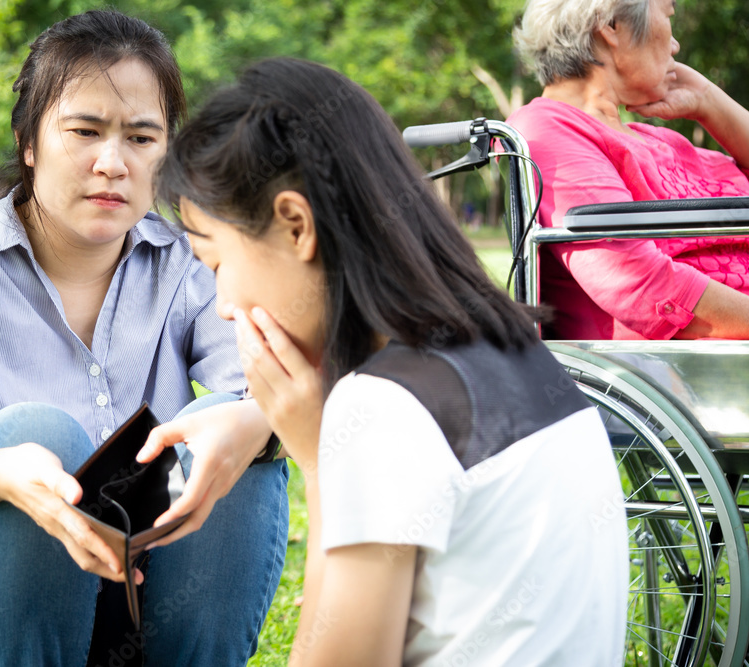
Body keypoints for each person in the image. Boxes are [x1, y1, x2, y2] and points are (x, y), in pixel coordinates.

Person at [144, 56, 629, 666]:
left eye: (217, 265)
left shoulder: (382, 407)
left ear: (296, 226)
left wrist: (319, 461)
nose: (222, 306)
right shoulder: (513, 354)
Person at [0, 10, 287, 666]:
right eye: (84, 131)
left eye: (142, 138)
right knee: (35, 441)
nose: (113, 163)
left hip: (135, 607)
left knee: (236, 428)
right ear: (29, 141)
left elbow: (279, 384)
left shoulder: (189, 263)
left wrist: (252, 418)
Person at [509, 0, 749, 340]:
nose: (675, 45)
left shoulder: (656, 140)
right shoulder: (547, 126)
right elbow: (642, 286)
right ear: (611, 26)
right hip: (695, 377)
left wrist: (708, 100)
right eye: (669, 14)